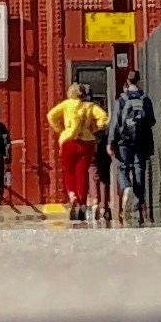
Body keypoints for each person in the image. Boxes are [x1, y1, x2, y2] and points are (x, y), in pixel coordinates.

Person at [45, 76, 105, 220]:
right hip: (86, 143)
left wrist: (61, 129)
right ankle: (83, 203)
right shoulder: (90, 107)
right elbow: (103, 117)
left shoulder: (66, 105)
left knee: (69, 171)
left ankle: (72, 196)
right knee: (82, 173)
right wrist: (94, 128)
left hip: (68, 142)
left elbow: (51, 115)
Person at [109, 69, 155, 226]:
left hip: (124, 141)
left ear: (127, 82)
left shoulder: (122, 99)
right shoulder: (145, 98)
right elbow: (151, 120)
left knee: (123, 168)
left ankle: (126, 187)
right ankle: (137, 203)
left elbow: (115, 122)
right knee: (139, 169)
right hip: (141, 140)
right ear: (139, 80)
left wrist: (111, 141)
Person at [88, 99, 114, 227]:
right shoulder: (104, 125)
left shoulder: (88, 124)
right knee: (105, 178)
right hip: (103, 149)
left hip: (91, 147)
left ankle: (95, 202)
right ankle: (104, 206)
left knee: (93, 173)